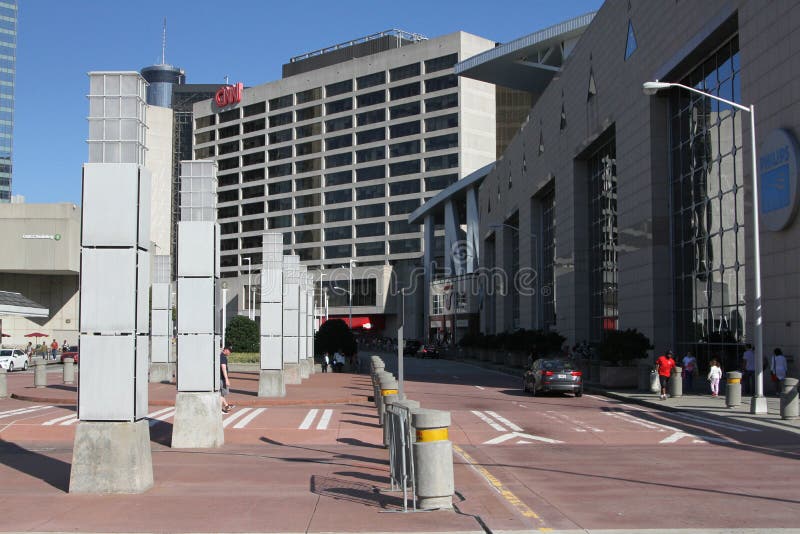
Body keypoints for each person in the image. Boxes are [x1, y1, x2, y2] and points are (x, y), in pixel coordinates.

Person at [220, 347, 235, 413]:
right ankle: (223, 408)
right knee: (221, 394)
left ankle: (226, 406)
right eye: (229, 351)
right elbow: (223, 368)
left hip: (220, 378)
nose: (230, 353)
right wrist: (226, 379)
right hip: (222, 378)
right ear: (225, 350)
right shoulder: (223, 357)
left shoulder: (221, 356)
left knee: (221, 394)